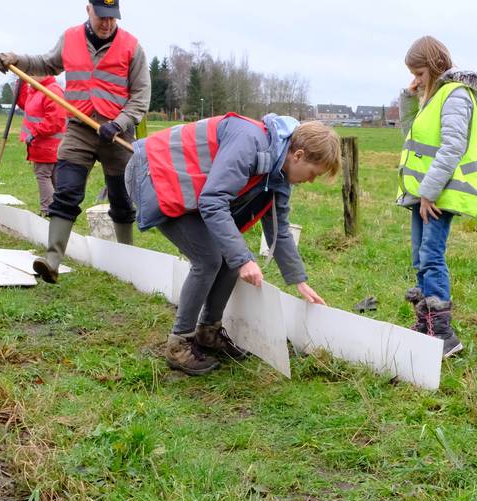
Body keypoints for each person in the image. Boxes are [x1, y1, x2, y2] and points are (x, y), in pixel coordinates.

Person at [127, 114, 340, 375]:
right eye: (313, 173)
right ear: (298, 155)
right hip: (154, 174)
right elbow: (212, 200)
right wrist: (243, 259)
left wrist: (299, 280)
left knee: (232, 256)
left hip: (189, 187)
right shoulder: (248, 142)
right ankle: (179, 344)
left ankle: (208, 332)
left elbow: (279, 230)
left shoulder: (278, 174)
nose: (311, 181)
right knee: (208, 259)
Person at [0, 0, 150, 283]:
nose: (107, 24)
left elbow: (141, 96)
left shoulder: (132, 46)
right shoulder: (70, 39)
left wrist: (119, 123)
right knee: (66, 190)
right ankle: (52, 260)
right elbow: (46, 63)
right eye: (102, 17)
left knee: (121, 198)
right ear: (88, 9)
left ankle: (127, 260)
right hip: (79, 128)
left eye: (112, 18)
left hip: (117, 133)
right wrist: (16, 59)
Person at [397, 36, 477, 358]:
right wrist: (410, 98)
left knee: (431, 257)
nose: (417, 79)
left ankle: (443, 334)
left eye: (420, 73)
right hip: (425, 193)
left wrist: (428, 193)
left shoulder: (455, 96)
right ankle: (426, 325)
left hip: (438, 194)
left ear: (436, 66)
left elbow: (452, 148)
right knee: (419, 258)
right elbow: (411, 135)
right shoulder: (434, 97)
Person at [16, 76, 67, 215]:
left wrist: (34, 132)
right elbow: (23, 103)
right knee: (52, 178)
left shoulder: (52, 91)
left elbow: (55, 121)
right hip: (42, 144)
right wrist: (21, 83)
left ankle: (48, 210)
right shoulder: (36, 90)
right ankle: (58, 210)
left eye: (32, 73)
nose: (30, 76)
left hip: (48, 145)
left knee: (43, 176)